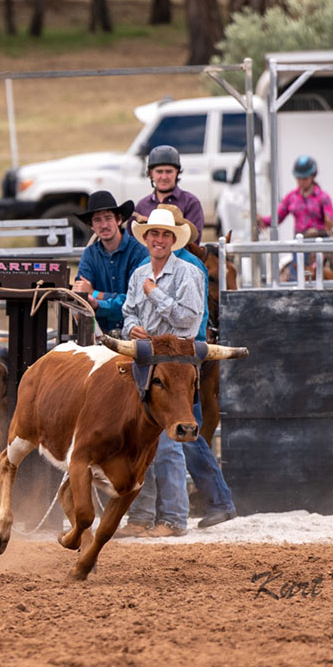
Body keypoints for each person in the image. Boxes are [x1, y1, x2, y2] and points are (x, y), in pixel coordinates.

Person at [115, 208, 236, 538]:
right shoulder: (139, 273)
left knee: (168, 442)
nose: (159, 240)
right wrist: (133, 328)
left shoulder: (188, 273)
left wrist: (155, 294)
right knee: (141, 440)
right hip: (147, 358)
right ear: (147, 238)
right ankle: (141, 515)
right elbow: (128, 312)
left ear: (173, 240)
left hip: (177, 363)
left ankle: (172, 518)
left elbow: (189, 320)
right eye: (154, 234)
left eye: (165, 235)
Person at [71, 190, 147, 335]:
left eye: (108, 218)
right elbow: (80, 295)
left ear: (119, 220)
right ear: (91, 226)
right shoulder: (90, 254)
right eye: (97, 220)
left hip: (134, 333)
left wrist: (95, 294)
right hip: (100, 334)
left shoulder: (138, 251)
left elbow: (134, 301)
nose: (104, 225)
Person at [129, 145, 204, 244]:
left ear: (177, 172)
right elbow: (132, 242)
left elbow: (194, 242)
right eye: (159, 171)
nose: (164, 177)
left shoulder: (190, 203)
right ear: (151, 173)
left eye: (168, 171)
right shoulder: (141, 206)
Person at [259, 155, 333, 236]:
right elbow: (276, 218)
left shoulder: (323, 197)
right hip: (300, 242)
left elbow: (332, 224)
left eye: (305, 178)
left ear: (312, 176)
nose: (301, 182)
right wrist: (259, 220)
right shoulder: (291, 197)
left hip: (320, 243)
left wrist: (318, 232)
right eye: (298, 178)